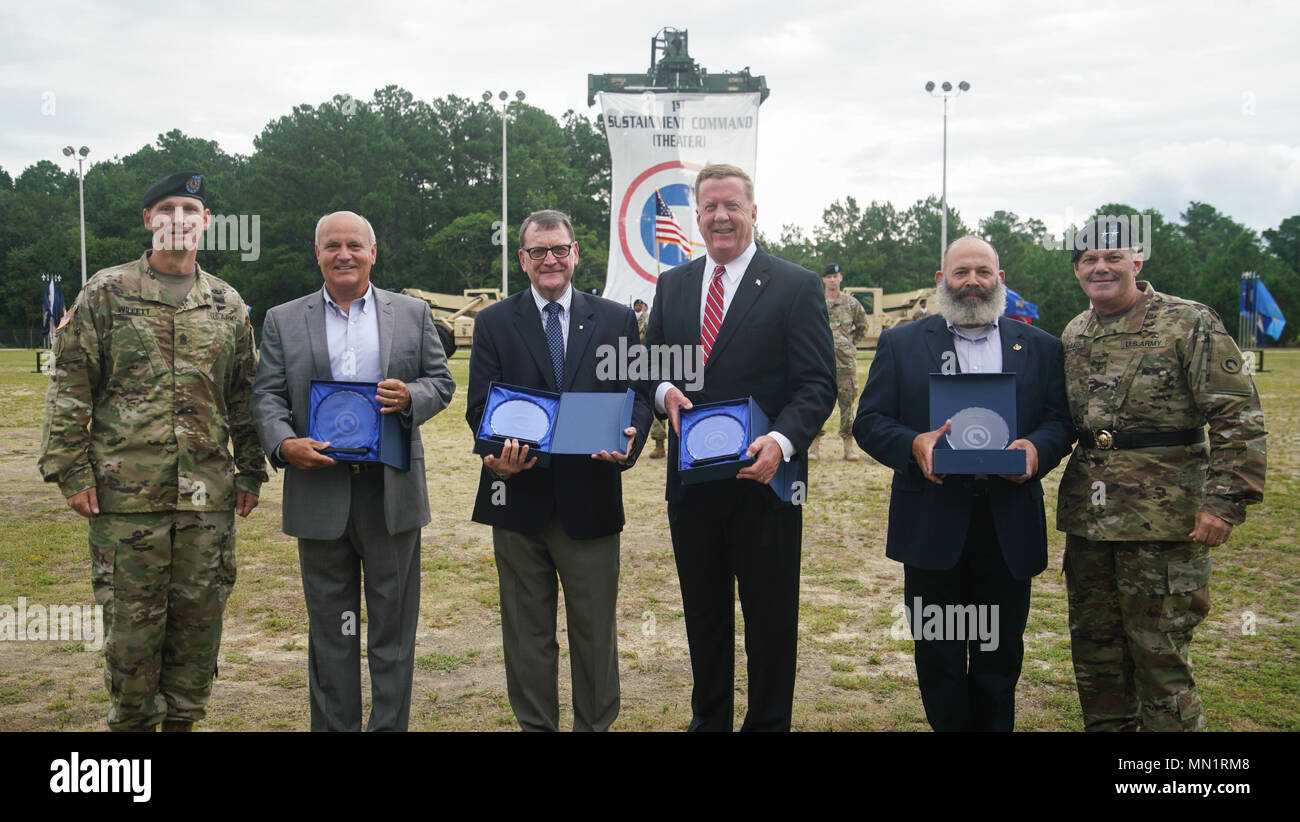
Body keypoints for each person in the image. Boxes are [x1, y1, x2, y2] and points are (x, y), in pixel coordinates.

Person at [38, 171, 267, 732]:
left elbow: (244, 393)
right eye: (166, 209)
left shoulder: (226, 303)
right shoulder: (106, 293)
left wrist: (251, 470)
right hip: (125, 502)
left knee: (197, 632)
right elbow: (71, 384)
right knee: (132, 638)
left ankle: (183, 725)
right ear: (149, 220)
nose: (179, 219)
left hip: (206, 502)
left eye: (190, 209)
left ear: (206, 223)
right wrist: (71, 472)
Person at [853, 236, 1074, 731]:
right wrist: (914, 445)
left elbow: (1060, 422)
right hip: (932, 526)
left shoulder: (1040, 347)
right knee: (938, 657)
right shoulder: (902, 344)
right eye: (960, 272)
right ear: (941, 281)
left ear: (999, 279)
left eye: (983, 272)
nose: (972, 281)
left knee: (999, 658)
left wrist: (1037, 449)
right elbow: (868, 422)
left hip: (1007, 525)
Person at [1056, 217, 1267, 732]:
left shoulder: (1188, 322)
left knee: (1160, 659)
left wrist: (1224, 502)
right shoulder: (1074, 333)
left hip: (1165, 523)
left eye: (1113, 257)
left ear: (1137, 261)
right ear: (1078, 270)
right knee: (1097, 656)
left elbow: (1239, 417)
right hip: (1091, 520)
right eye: (1089, 260)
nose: (1101, 267)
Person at [646, 164, 836, 731]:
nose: (721, 216)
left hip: (767, 487)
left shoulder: (795, 285)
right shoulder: (673, 284)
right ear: (697, 217)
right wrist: (663, 390)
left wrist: (781, 442)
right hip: (693, 490)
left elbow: (816, 385)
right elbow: (649, 364)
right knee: (704, 618)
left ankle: (768, 724)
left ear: (753, 212)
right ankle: (709, 722)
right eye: (710, 207)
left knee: (771, 622)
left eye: (732, 205)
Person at [250, 211, 454, 732]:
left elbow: (441, 381)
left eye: (355, 245)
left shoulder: (411, 313)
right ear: (316, 253)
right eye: (333, 245)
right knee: (331, 635)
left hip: (391, 493)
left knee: (393, 634)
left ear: (373, 252)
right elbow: (267, 396)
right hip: (319, 493)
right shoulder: (281, 318)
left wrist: (412, 396)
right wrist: (283, 443)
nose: (344, 254)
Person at [466, 210, 652, 732]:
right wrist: (494, 452)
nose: (550, 260)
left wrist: (631, 440)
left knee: (594, 632)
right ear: (522, 260)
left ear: (575, 254)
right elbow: (480, 405)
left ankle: (595, 726)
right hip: (517, 496)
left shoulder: (615, 319)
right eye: (538, 251)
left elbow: (636, 396)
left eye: (559, 249)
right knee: (527, 635)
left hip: (590, 495)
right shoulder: (494, 322)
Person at [814, 263, 869, 461]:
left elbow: (863, 325)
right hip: (819, 362)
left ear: (841, 278)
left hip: (845, 364)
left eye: (835, 276)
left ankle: (848, 448)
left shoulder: (851, 303)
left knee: (847, 406)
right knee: (816, 401)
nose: (832, 280)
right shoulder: (815, 301)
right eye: (828, 277)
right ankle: (813, 447)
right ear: (823, 280)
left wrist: (850, 344)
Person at [634, 298, 668, 458]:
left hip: (654, 365)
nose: (637, 307)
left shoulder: (648, 319)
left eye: (639, 305)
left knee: (657, 406)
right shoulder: (634, 319)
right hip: (638, 365)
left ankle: (660, 444)